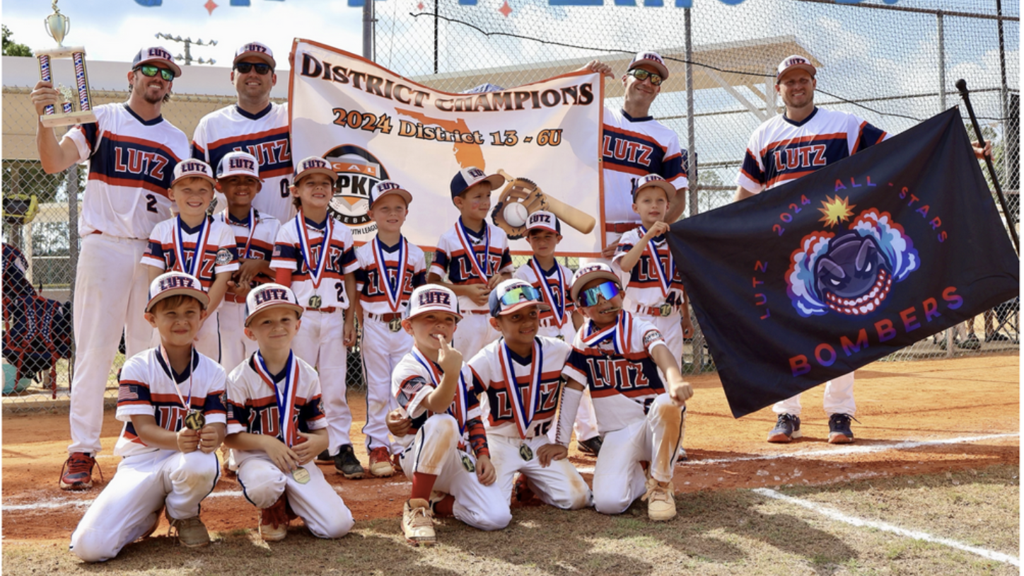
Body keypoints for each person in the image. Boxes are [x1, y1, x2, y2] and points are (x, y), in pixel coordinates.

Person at [736, 55, 992, 444]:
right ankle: (786, 414)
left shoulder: (845, 125)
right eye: (789, 81)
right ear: (778, 89)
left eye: (803, 79)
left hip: (839, 241)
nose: (796, 86)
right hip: (785, 249)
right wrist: (722, 234)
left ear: (813, 83)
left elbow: (905, 150)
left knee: (843, 324)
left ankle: (840, 413)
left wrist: (959, 148)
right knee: (786, 329)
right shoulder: (763, 136)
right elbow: (745, 197)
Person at [32, 46, 191, 491]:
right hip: (103, 245)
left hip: (152, 251)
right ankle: (82, 450)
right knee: (95, 351)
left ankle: (140, 442)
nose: (157, 77)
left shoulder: (179, 140)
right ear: (131, 76)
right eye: (149, 70)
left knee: (145, 352)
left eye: (165, 73)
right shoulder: (99, 117)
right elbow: (53, 161)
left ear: (171, 84)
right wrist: (44, 119)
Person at [69, 272, 226, 561]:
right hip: (141, 462)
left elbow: (217, 422)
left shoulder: (214, 371)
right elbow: (144, 430)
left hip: (184, 459)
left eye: (190, 312)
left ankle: (183, 514)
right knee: (89, 548)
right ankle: (147, 516)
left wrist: (215, 434)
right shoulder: (137, 367)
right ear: (151, 319)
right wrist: (178, 439)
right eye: (170, 313)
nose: (182, 320)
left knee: (202, 462)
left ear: (203, 315)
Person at [556, 263, 692, 521]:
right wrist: (561, 443)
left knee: (667, 404)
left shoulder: (638, 326)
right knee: (608, 503)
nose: (602, 301)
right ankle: (640, 473)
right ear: (581, 309)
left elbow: (660, 350)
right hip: (617, 433)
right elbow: (573, 389)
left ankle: (661, 484)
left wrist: (674, 380)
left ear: (621, 292)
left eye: (606, 289)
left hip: (651, 425)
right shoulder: (583, 339)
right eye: (589, 297)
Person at [223, 283, 354, 542]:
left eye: (285, 319)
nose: (278, 327)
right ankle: (272, 504)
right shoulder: (238, 378)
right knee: (264, 486)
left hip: (296, 459)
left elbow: (320, 430)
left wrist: (321, 441)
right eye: (266, 322)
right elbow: (230, 437)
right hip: (256, 458)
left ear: (298, 325)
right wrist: (266, 443)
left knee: (337, 527)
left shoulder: (306, 374)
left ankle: (292, 500)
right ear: (250, 332)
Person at [391, 285, 511, 546]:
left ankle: (438, 504)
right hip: (416, 457)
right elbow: (438, 403)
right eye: (429, 318)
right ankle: (417, 505)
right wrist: (452, 373)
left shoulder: (461, 367)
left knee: (497, 517)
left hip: (456, 456)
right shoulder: (406, 367)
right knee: (443, 422)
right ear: (408, 326)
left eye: (448, 319)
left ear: (456, 327)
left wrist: (482, 455)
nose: (440, 326)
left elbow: (473, 416)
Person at [465, 279, 593, 511]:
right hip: (498, 441)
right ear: (496, 323)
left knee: (578, 498)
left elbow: (578, 385)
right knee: (495, 510)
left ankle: (532, 480)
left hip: (538, 442)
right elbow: (461, 403)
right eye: (515, 317)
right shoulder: (486, 360)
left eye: (532, 314)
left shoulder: (559, 351)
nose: (527, 322)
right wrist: (476, 450)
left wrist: (561, 442)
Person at [271, 156, 362, 477]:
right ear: (295, 191)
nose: (319, 188)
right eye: (310, 183)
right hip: (301, 318)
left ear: (333, 190)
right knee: (298, 381)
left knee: (335, 385)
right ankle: (294, 440)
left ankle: (339, 446)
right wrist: (284, 321)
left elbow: (350, 278)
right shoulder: (287, 232)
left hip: (333, 315)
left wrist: (350, 319)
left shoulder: (342, 232)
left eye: (325, 183)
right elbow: (282, 282)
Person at [580, 53, 689, 260]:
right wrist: (582, 77)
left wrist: (641, 238)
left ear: (658, 90)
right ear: (624, 79)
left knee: (638, 294)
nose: (647, 82)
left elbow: (678, 200)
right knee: (600, 292)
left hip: (640, 244)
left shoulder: (666, 137)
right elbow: (558, 118)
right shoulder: (597, 117)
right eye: (640, 74)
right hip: (594, 238)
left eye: (655, 79)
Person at [512, 212, 601, 456]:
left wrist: (582, 335)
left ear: (559, 238)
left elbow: (574, 311)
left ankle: (588, 434)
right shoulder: (523, 276)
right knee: (546, 388)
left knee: (578, 382)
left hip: (567, 331)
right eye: (536, 236)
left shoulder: (567, 274)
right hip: (541, 334)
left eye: (548, 235)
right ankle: (545, 438)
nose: (542, 241)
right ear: (527, 240)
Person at [353, 181, 427, 478]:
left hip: (406, 328)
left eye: (398, 208)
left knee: (406, 388)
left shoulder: (416, 254)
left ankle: (403, 445)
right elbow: (357, 296)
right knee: (378, 391)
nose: (392, 213)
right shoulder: (364, 254)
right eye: (384, 208)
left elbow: (420, 298)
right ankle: (378, 445)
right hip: (375, 324)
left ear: (407, 213)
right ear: (371, 213)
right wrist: (360, 325)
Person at [142, 160, 239, 361]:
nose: (195, 196)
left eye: (203, 190)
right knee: (162, 372)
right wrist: (165, 314)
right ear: (171, 194)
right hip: (168, 315)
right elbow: (154, 280)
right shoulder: (162, 230)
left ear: (212, 194)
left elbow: (222, 280)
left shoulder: (223, 232)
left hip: (207, 316)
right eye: (186, 189)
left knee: (206, 375)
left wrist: (200, 317)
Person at [191, 42, 294, 223]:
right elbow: (194, 189)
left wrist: (303, 72)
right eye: (244, 67)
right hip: (230, 239)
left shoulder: (292, 117)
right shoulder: (211, 126)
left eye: (262, 68)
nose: (253, 73)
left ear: (274, 79)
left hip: (285, 237)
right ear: (232, 76)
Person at [427, 167, 515, 362]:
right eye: (477, 197)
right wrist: (466, 290)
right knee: (464, 373)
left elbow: (508, 274)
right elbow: (432, 284)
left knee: (496, 372)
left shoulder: (499, 236)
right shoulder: (449, 239)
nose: (485, 202)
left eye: (487, 195)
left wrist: (502, 278)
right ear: (459, 202)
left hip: (496, 316)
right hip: (464, 318)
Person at [213, 151, 281, 372]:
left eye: (249, 180)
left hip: (260, 309)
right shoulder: (210, 225)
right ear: (219, 185)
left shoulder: (273, 225)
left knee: (259, 370)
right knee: (226, 369)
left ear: (258, 186)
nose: (242, 186)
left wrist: (260, 265)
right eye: (233, 180)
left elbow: (284, 272)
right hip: (221, 310)